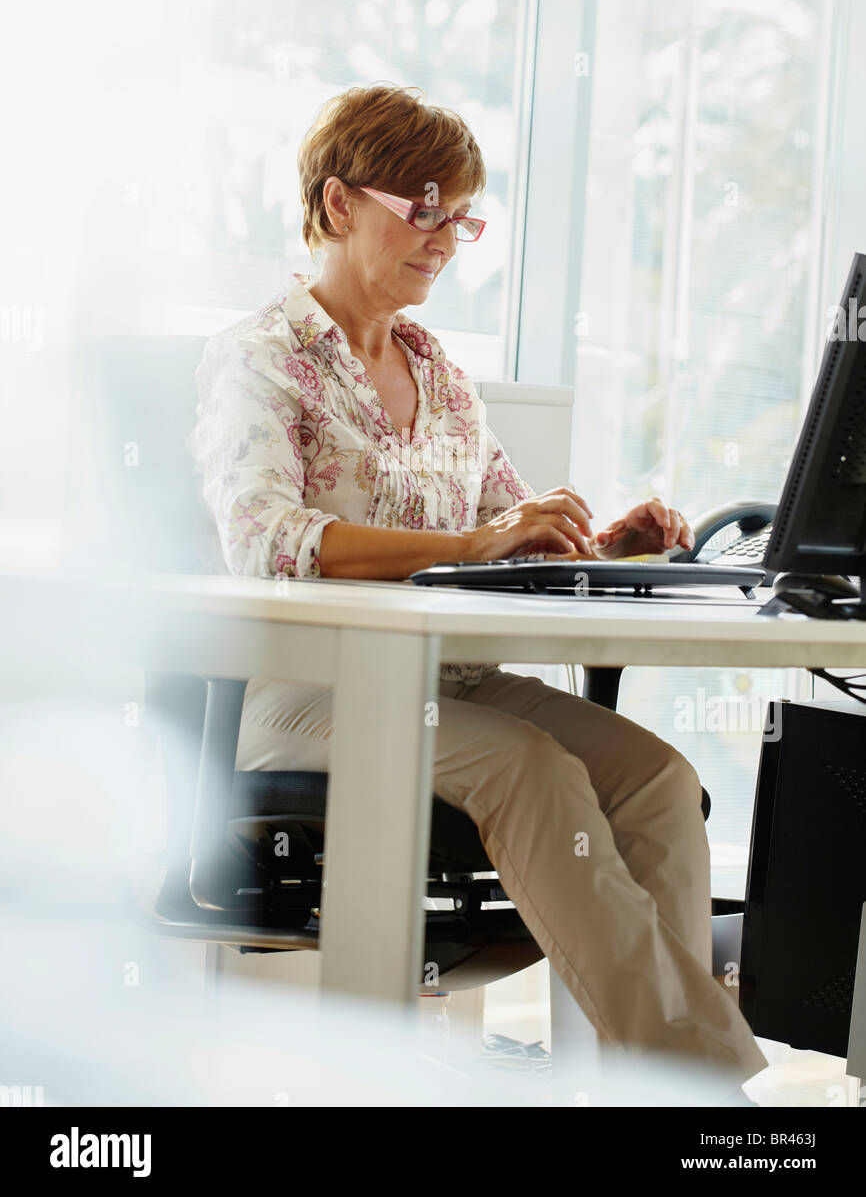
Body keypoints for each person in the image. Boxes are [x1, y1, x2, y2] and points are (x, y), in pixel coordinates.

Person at [189, 81, 768, 1104]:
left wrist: (606, 542)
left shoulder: (441, 374)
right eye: (424, 210)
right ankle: (694, 1096)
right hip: (312, 693)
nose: (447, 238)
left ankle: (651, 1082)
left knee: (660, 782)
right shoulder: (259, 359)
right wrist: (474, 535)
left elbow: (508, 532)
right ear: (336, 205)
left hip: (454, 681)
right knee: (531, 768)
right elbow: (270, 543)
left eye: (460, 216)